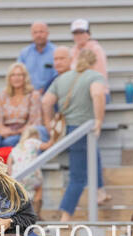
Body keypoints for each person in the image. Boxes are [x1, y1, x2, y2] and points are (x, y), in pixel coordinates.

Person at [42, 48, 110, 221]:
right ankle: (64, 216)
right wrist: (99, 120)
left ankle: (100, 190)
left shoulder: (62, 78)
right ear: (94, 63)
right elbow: (97, 94)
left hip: (68, 129)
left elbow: (45, 101)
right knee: (78, 177)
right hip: (82, 128)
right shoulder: (95, 76)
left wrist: (49, 124)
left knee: (94, 154)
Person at [0, 63, 46, 149]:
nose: (16, 78)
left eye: (19, 75)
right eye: (13, 75)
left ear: (25, 77)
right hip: (5, 131)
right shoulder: (3, 95)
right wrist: (3, 130)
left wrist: (17, 131)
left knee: (8, 142)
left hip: (24, 132)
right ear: (9, 78)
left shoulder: (33, 95)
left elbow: (35, 121)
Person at [7, 125, 53, 216]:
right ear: (35, 135)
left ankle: (22, 215)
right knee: (38, 189)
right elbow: (47, 146)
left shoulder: (17, 147)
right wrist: (54, 137)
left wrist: (10, 175)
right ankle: (36, 214)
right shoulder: (33, 141)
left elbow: (9, 161)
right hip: (31, 174)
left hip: (18, 176)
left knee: (22, 195)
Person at [68, 19, 109, 99]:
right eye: (75, 33)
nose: (78, 35)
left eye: (81, 32)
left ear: (88, 34)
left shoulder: (96, 50)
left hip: (96, 92)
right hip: (76, 93)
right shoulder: (72, 51)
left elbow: (99, 76)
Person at [17, 22, 56, 94]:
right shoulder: (24, 53)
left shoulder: (56, 52)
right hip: (27, 95)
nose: (38, 35)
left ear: (47, 33)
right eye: (35, 32)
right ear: (31, 34)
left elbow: (57, 77)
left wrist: (43, 90)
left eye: (41, 32)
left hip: (50, 95)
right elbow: (18, 74)